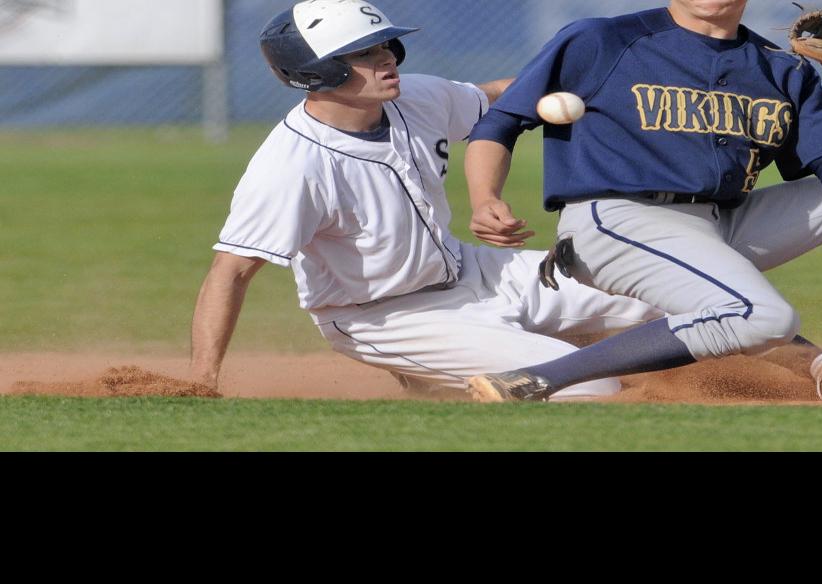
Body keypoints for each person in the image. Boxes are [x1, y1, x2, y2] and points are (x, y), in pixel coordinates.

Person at [463, 0, 822, 406]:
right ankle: (534, 379)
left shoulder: (780, 68)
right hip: (615, 219)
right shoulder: (601, 40)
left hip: (718, 221)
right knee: (762, 317)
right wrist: (485, 197)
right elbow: (500, 122)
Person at [188, 0, 666, 401]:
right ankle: (463, 372)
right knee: (591, 387)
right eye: (362, 53)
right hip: (386, 316)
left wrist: (589, 83)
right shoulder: (294, 167)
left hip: (471, 270)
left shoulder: (413, 98)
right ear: (317, 71)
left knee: (667, 291)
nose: (387, 59)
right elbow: (230, 272)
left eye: (384, 46)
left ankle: (485, 358)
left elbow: (498, 96)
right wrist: (203, 382)